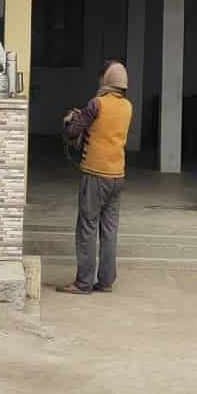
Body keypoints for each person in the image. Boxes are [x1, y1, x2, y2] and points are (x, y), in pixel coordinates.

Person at [58, 61, 132, 296]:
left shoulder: (96, 103)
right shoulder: (127, 106)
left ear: (106, 80)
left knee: (87, 228)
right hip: (117, 175)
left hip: (95, 175)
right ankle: (106, 281)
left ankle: (83, 283)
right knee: (109, 231)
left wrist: (71, 118)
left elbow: (73, 130)